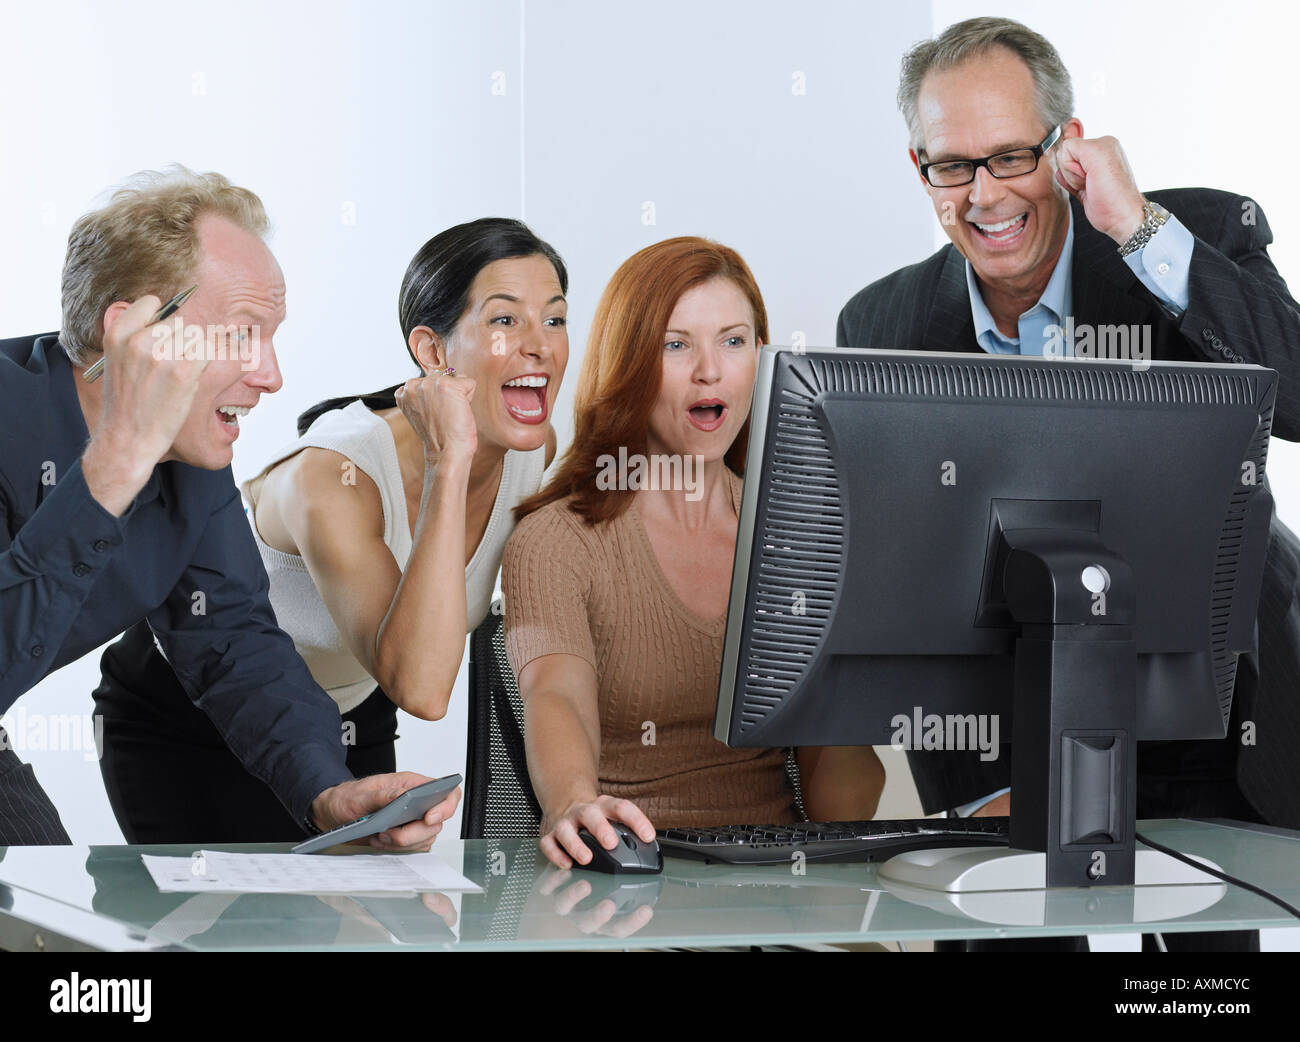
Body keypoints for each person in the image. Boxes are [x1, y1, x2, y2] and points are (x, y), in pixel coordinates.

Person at [837, 17, 1300, 951]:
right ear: (919, 165)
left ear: (1069, 145)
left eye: (1012, 156)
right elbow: (903, 575)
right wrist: (964, 785)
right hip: (1011, 737)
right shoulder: (882, 321)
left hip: (1215, 713)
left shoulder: (1194, 234)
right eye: (951, 165)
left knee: (1201, 997)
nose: (986, 194)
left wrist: (1136, 230)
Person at [0, 166, 457, 847]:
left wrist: (326, 790)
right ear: (137, 334)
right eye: (243, 334)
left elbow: (234, 642)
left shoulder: (186, 468)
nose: (271, 376)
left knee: (44, 917)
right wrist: (114, 466)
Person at [92, 218, 569, 843]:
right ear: (431, 352)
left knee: (358, 927)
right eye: (505, 320)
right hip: (190, 715)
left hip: (351, 711)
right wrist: (449, 459)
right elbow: (423, 689)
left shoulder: (533, 453)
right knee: (237, 934)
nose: (540, 345)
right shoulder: (332, 474)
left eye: (555, 319)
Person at [504, 236, 885, 870]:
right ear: (629, 363)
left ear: (763, 359)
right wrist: (572, 801)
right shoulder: (557, 539)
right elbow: (555, 693)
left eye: (733, 342)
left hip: (779, 881)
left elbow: (841, 809)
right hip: (624, 874)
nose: (709, 370)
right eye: (676, 345)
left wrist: (846, 673)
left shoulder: (804, 535)